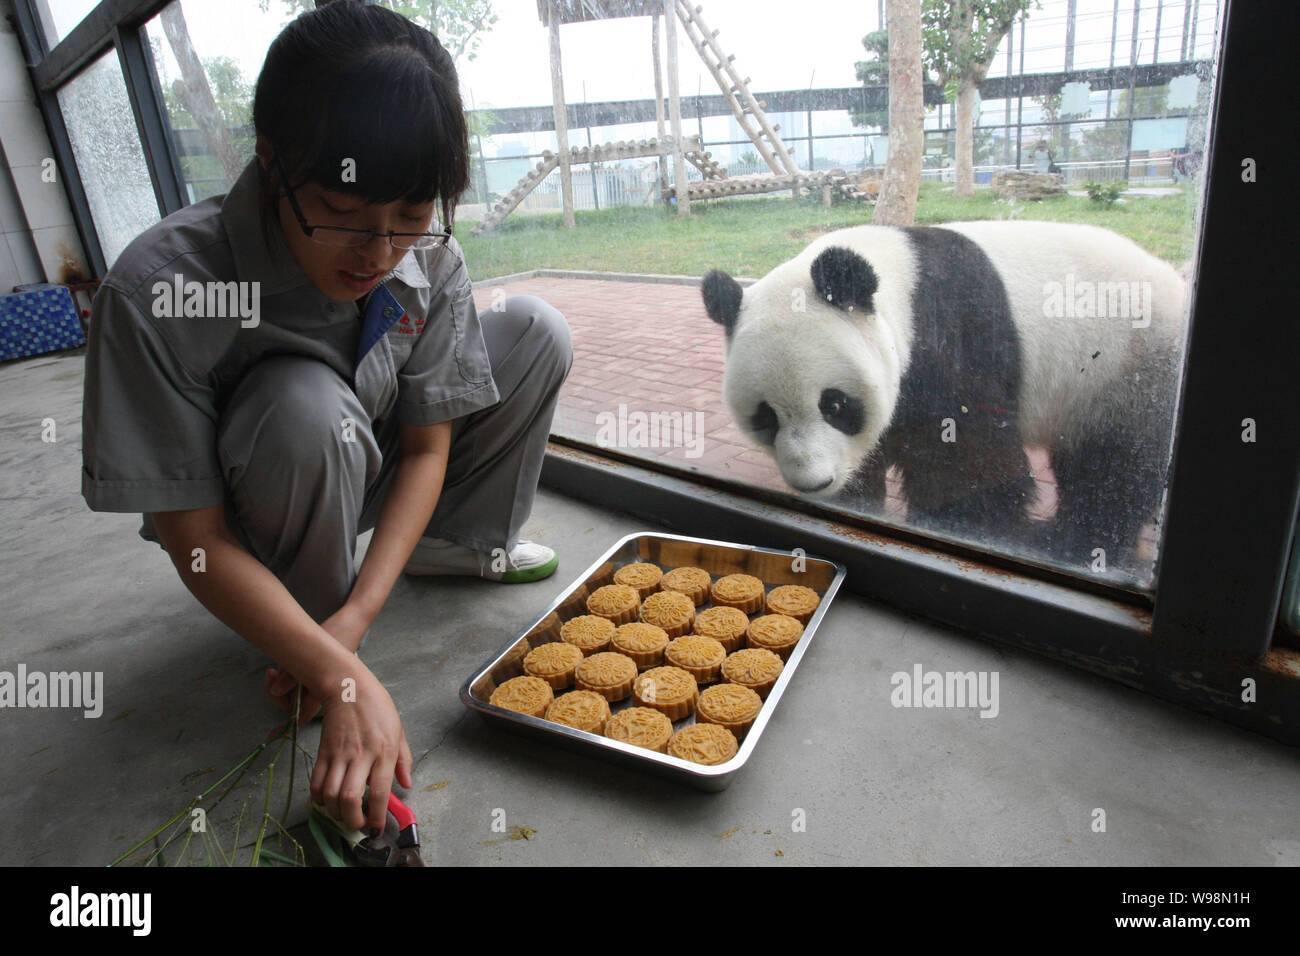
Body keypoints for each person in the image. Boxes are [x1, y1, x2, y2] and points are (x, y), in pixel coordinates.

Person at [79, 1, 572, 837]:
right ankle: (302, 628)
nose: (378, 253)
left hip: (368, 458)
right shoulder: (162, 288)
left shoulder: (428, 257)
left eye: (410, 218)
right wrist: (343, 673)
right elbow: (190, 533)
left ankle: (447, 552)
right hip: (262, 495)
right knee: (303, 409)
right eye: (344, 214)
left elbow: (423, 447)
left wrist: (362, 618)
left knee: (535, 330)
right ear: (272, 165)